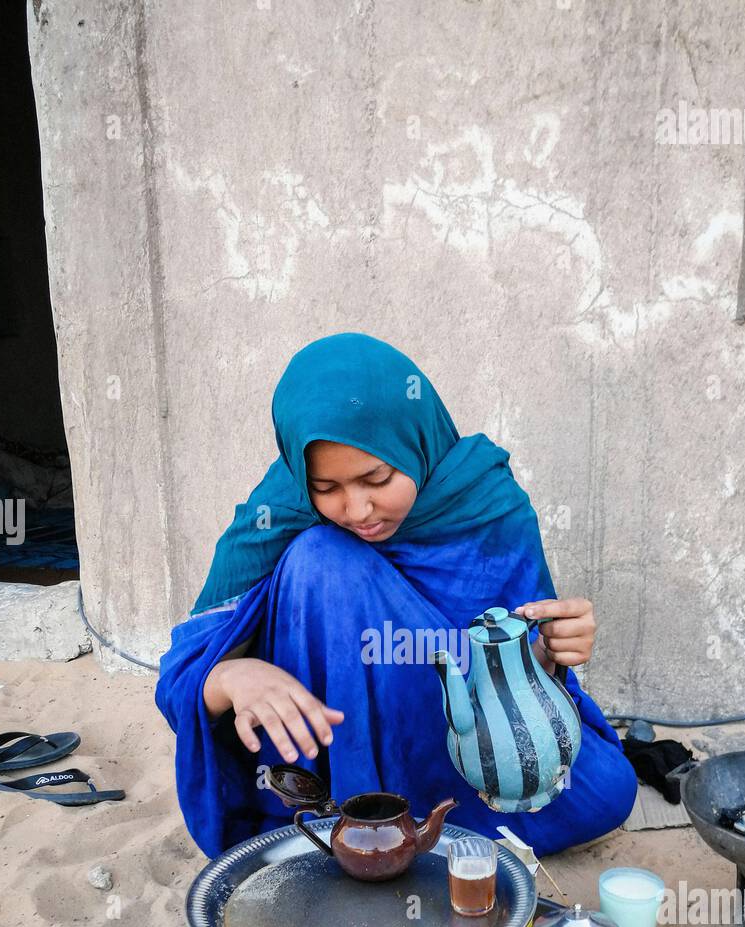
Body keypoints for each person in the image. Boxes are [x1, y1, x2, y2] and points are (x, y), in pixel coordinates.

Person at [156, 332, 637, 859]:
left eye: (377, 478)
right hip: (339, 748)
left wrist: (554, 646)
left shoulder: (489, 504)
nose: (357, 509)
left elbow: (521, 670)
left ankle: (416, 827)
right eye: (327, 488)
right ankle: (356, 820)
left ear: (415, 441)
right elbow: (183, 678)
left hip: (457, 743)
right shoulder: (276, 521)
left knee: (606, 791)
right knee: (322, 558)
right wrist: (230, 676)